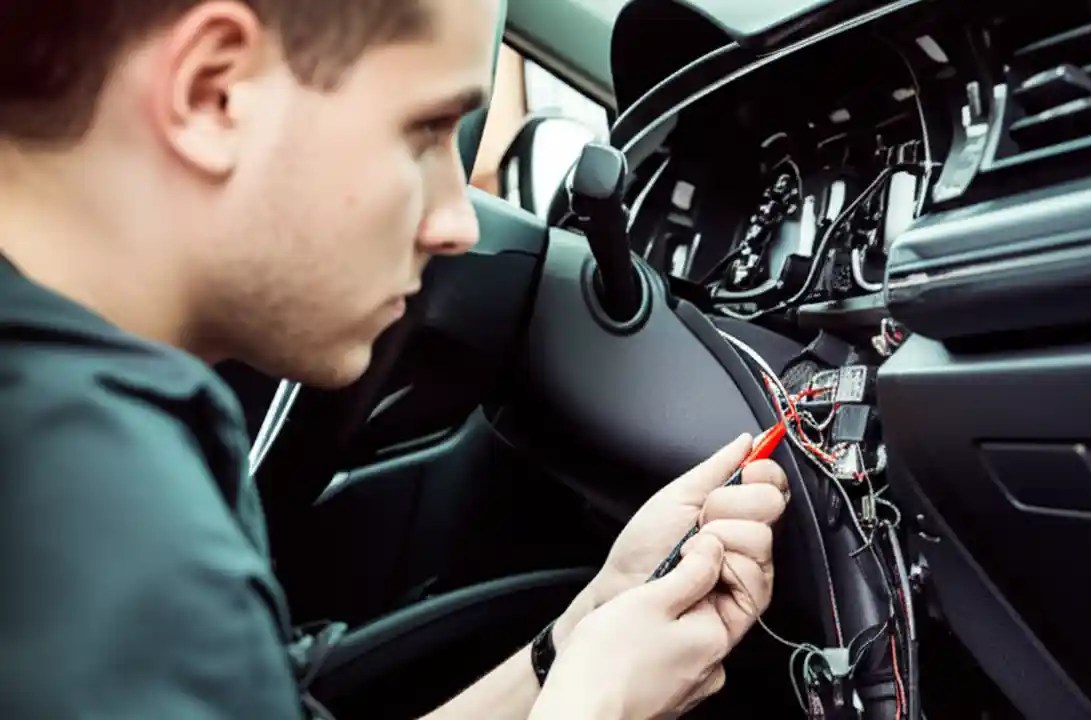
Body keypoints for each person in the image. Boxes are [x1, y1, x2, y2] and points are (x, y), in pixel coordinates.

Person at [0, 1, 790, 719]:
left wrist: (576, 641)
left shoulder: (74, 437)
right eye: (426, 131)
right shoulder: (105, 526)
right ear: (214, 92)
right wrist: (602, 706)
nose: (456, 222)